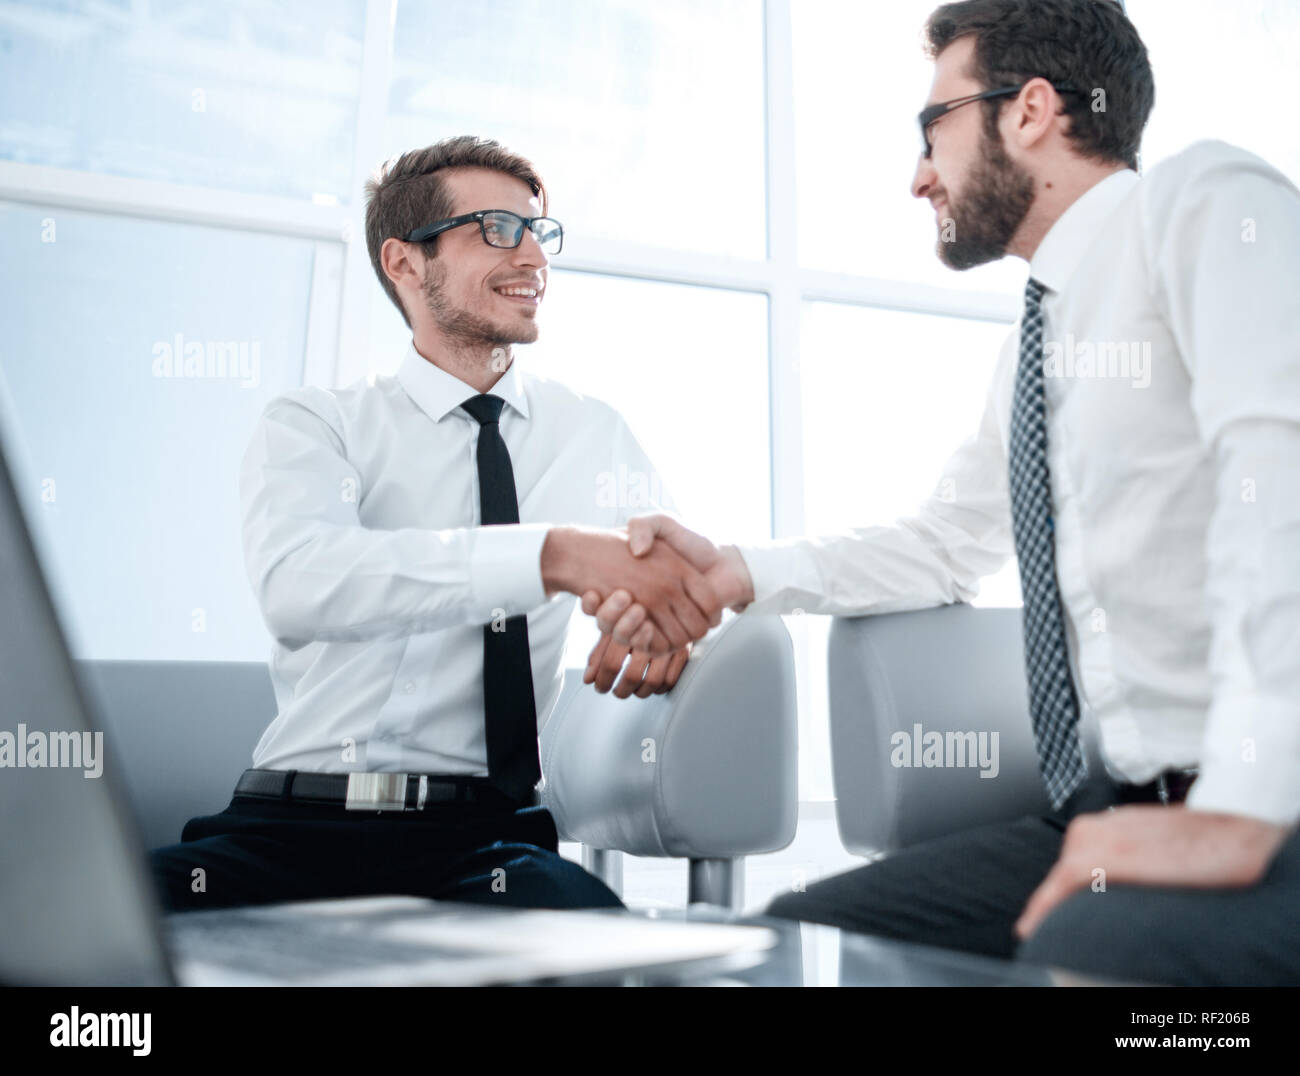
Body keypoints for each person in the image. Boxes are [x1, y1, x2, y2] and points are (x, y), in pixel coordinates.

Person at [583, 0, 1300, 986]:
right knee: (788, 943)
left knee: (1095, 950)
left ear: (1032, 109)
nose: (917, 175)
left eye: (933, 130)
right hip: (1112, 814)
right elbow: (943, 543)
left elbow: (1281, 482)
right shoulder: (1033, 348)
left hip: (1268, 803)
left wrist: (1244, 803)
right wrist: (733, 573)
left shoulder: (1203, 204)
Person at [150, 135, 720, 913]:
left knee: (602, 954)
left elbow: (680, 575)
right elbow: (302, 585)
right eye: (497, 230)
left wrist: (665, 616)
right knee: (72, 934)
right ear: (404, 263)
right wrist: (551, 555)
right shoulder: (318, 424)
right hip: (287, 826)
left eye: (537, 232)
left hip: (487, 843)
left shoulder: (593, 434)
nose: (533, 260)